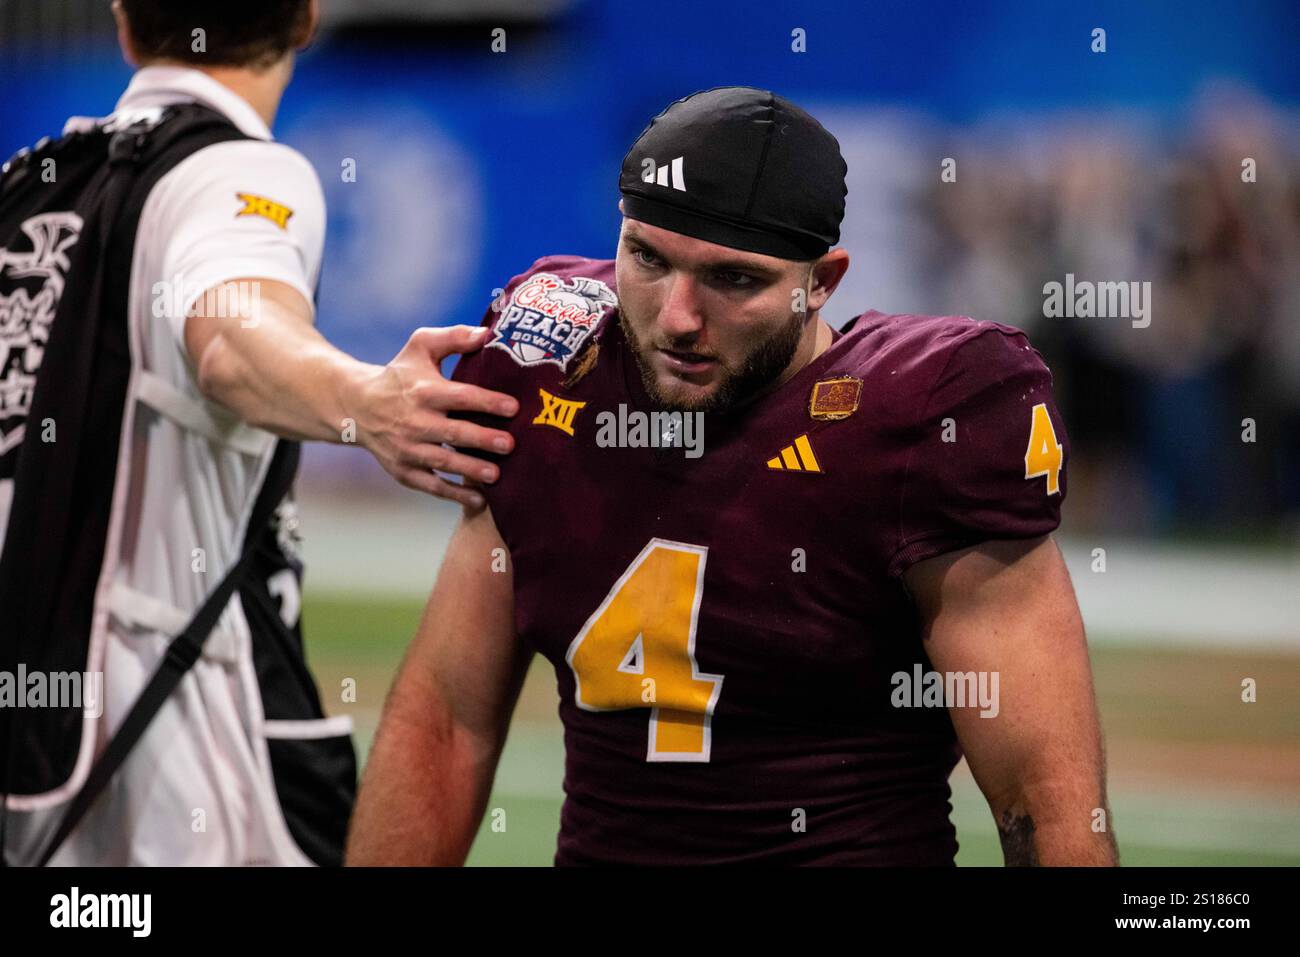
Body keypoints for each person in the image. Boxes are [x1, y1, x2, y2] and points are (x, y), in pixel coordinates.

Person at [346, 87, 1117, 866]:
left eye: (734, 279)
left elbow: (1043, 802)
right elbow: (445, 721)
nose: (678, 315)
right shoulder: (549, 369)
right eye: (647, 257)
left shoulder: (925, 421)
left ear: (821, 281)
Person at [0, 0, 516, 866]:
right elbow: (231, 334)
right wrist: (370, 402)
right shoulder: (238, 170)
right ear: (308, 20)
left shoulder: (29, 182)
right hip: (158, 774)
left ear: (125, 24)